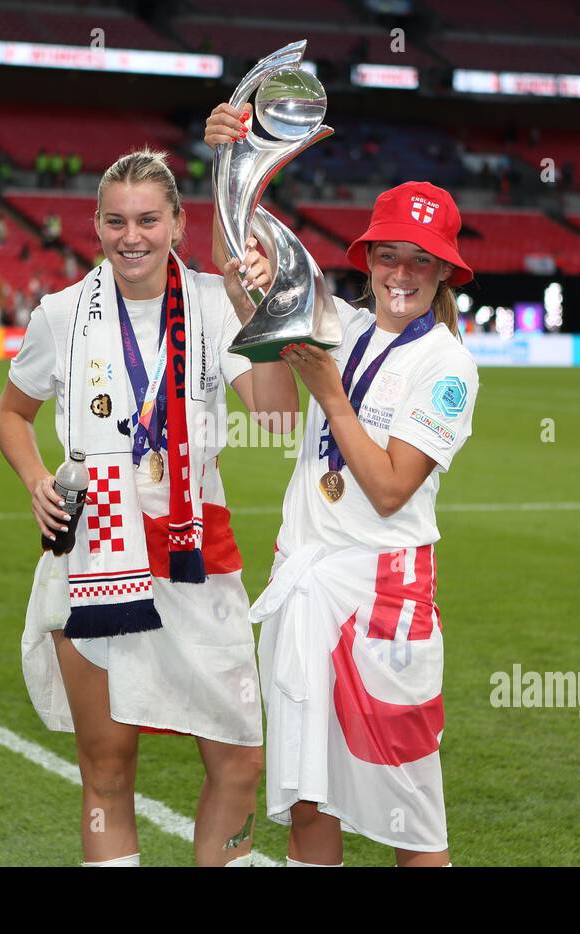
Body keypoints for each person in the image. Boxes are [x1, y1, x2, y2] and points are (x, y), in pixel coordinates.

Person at [0, 147, 299, 867]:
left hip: (197, 556)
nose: (133, 236)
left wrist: (258, 308)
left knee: (240, 764)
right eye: (118, 221)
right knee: (107, 773)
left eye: (149, 220)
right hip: (93, 552)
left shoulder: (218, 304)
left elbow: (280, 417)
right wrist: (36, 476)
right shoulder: (60, 313)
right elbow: (11, 414)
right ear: (95, 226)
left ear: (178, 224)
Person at [205, 101, 480, 868]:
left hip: (385, 600)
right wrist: (231, 179)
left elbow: (392, 487)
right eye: (388, 256)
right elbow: (270, 406)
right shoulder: (345, 326)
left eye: (419, 261)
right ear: (368, 260)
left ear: (444, 272)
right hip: (309, 586)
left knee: (411, 821)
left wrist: (332, 392)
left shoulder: (448, 365)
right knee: (308, 806)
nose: (400, 273)